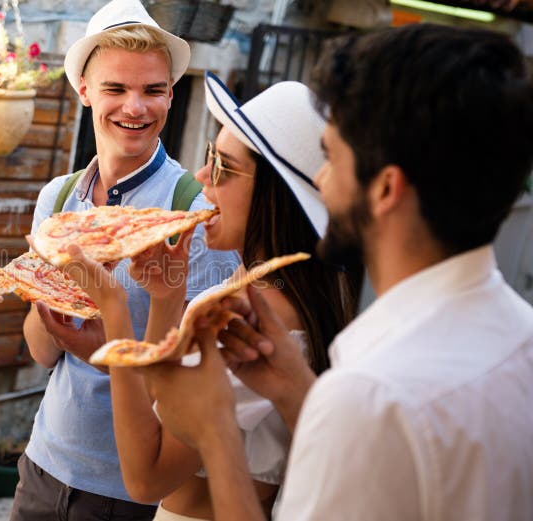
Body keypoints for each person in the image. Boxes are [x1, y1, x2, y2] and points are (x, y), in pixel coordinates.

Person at [141, 23, 533, 521]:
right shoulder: (521, 335)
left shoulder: (371, 391)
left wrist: (215, 431)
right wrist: (296, 391)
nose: (320, 180)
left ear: (385, 189)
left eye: (332, 157)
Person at [58, 72, 362, 521]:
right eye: (208, 157)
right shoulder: (258, 285)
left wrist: (114, 307)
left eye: (222, 167)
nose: (202, 177)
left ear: (273, 195)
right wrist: (167, 297)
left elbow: (145, 477)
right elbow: (160, 396)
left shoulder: (253, 316)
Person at [10, 1, 239, 520]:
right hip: (44, 463)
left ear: (172, 95)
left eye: (152, 90)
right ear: (84, 90)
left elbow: (194, 380)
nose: (135, 108)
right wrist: (59, 291)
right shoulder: (57, 198)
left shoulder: (193, 213)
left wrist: (107, 342)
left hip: (132, 489)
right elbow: (42, 352)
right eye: (115, 88)